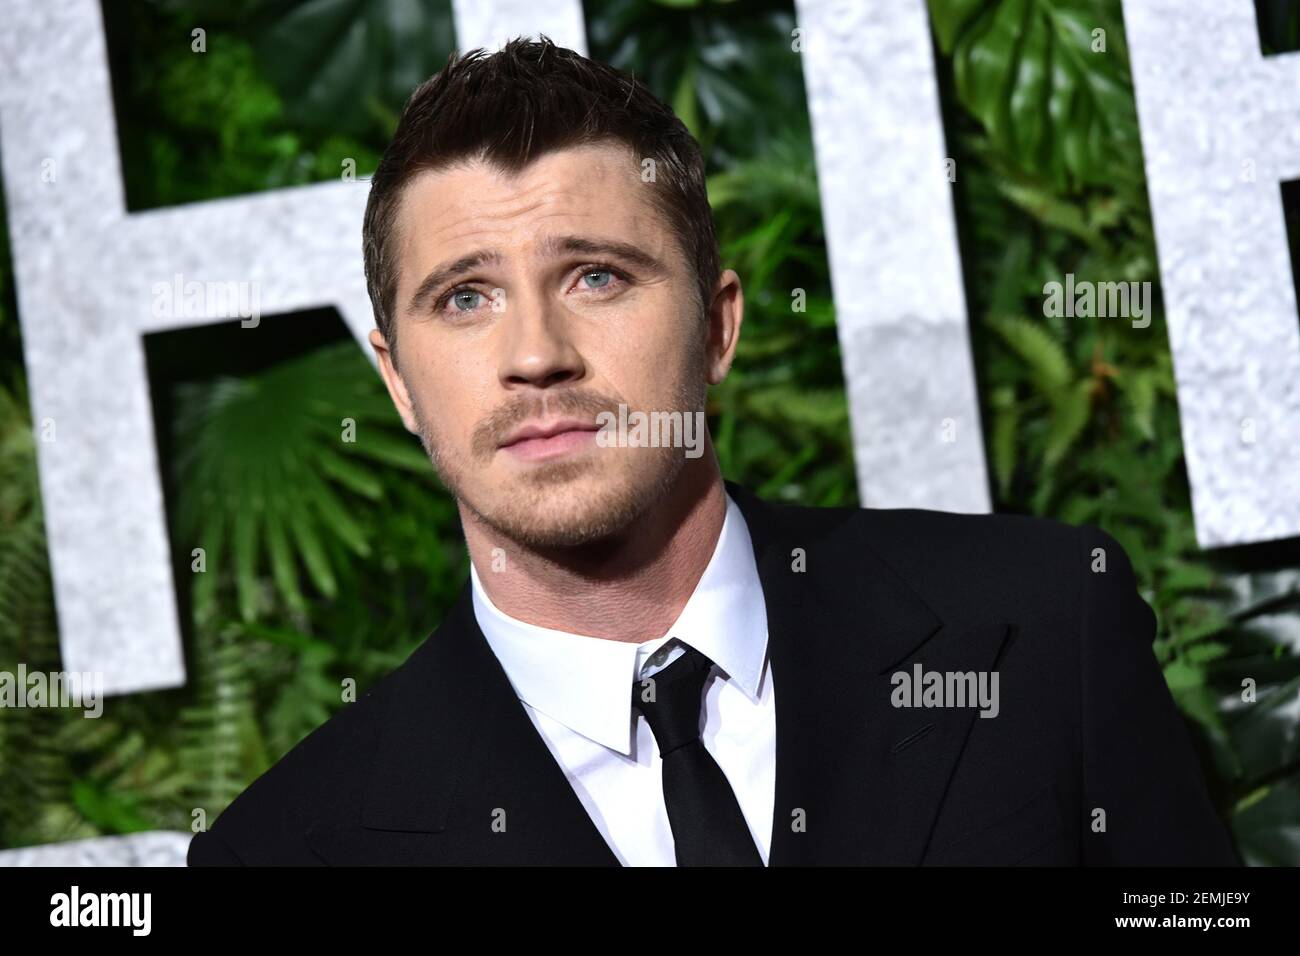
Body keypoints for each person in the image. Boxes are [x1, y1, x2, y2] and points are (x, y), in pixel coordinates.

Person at [187, 36, 1240, 867]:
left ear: (718, 325)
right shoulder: (287, 848)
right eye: (465, 297)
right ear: (398, 382)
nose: (535, 355)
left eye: (596, 275)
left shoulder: (1048, 629)